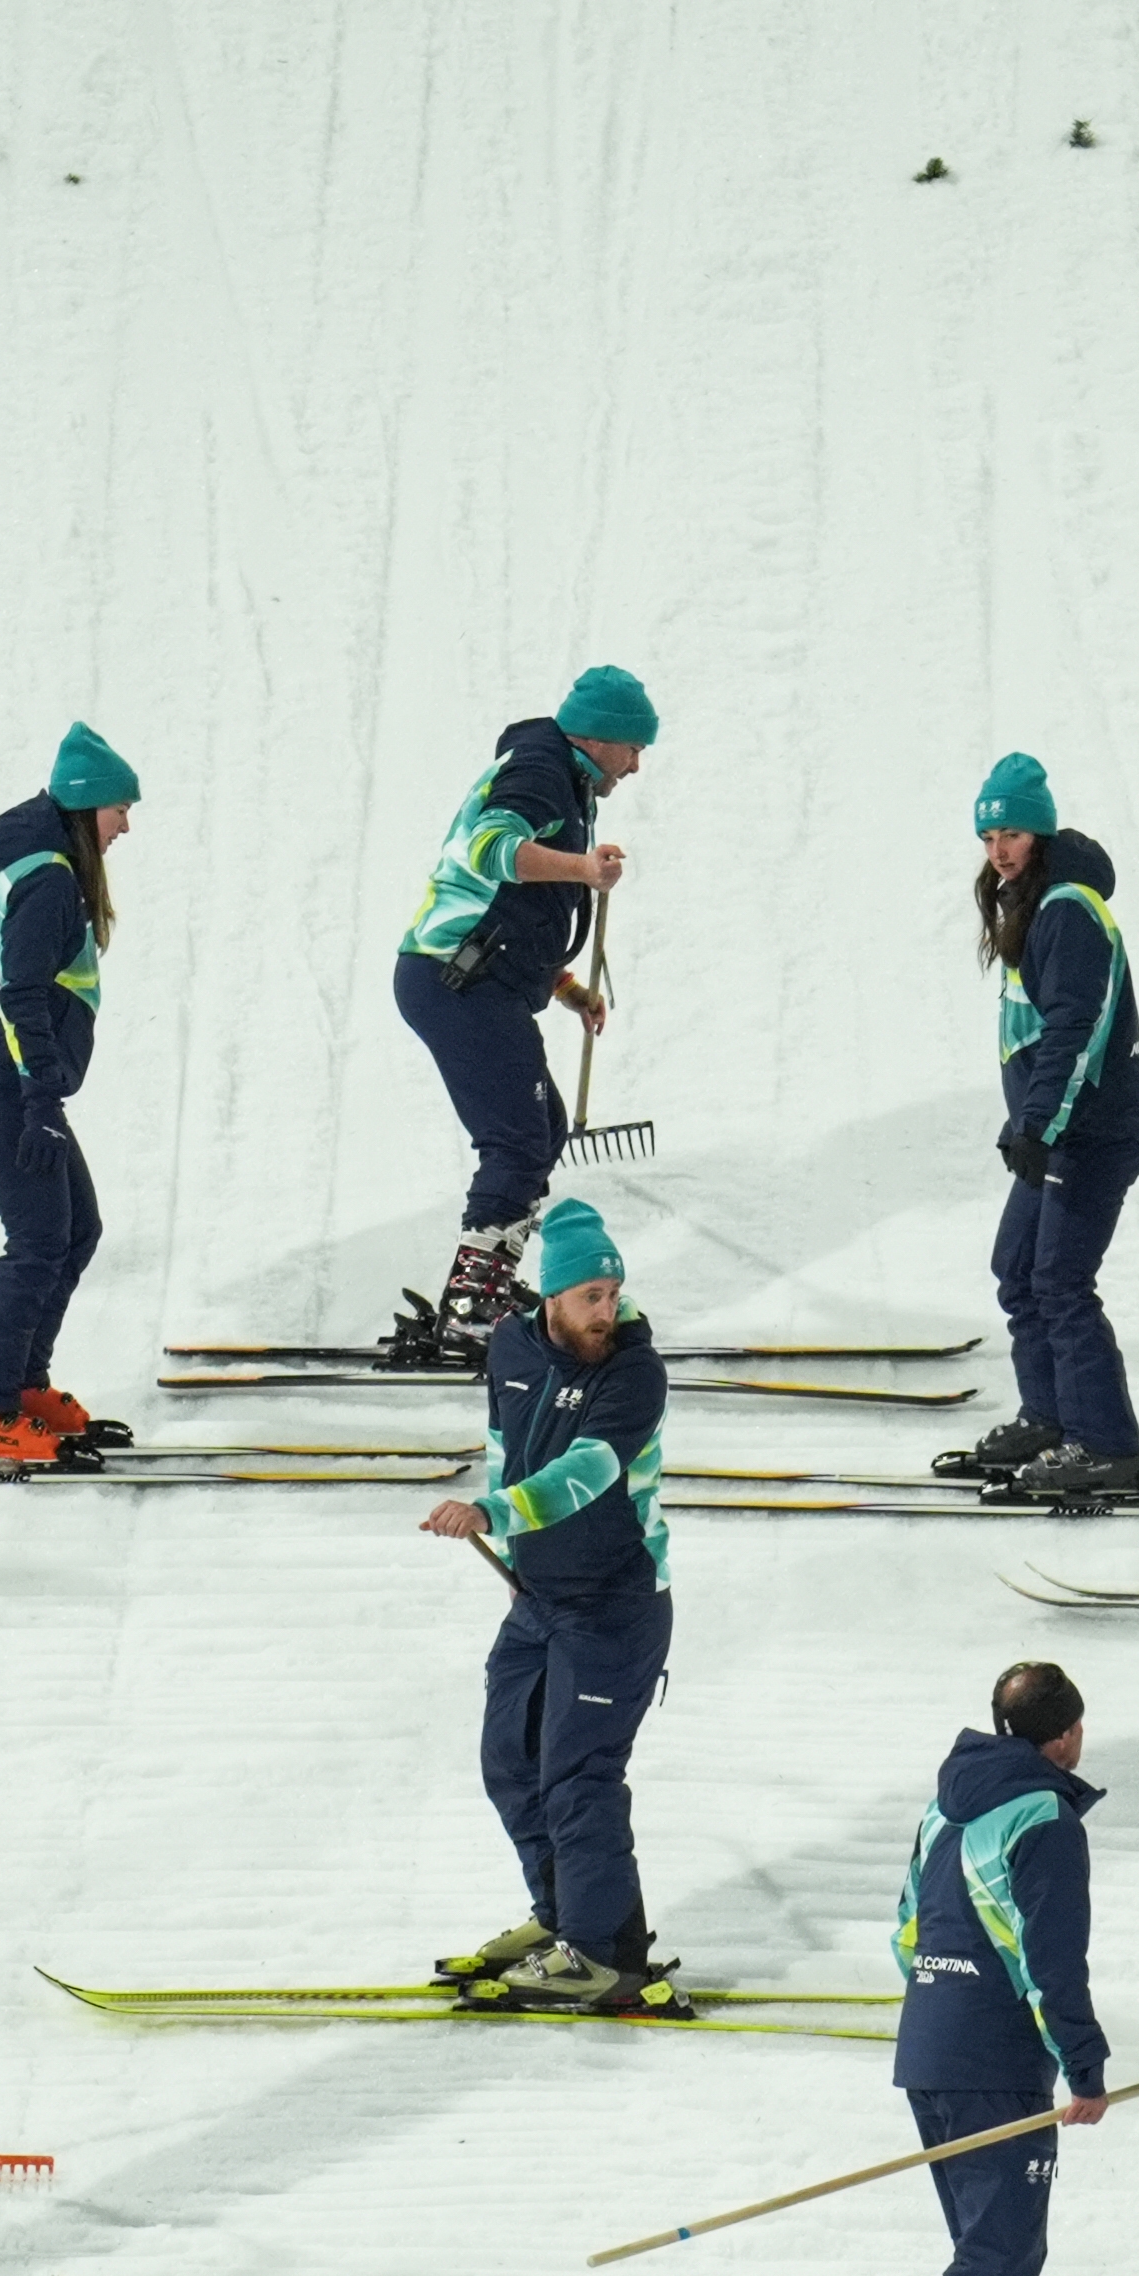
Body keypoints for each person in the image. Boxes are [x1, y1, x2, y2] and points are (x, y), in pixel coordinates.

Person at [842, 1663, 1116, 2276]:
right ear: (1066, 1734)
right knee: (999, 2252)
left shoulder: (945, 1807)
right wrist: (1085, 2065)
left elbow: (906, 1931)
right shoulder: (1046, 1821)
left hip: (931, 2049)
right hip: (992, 2061)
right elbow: (1051, 1959)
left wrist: (943, 2007)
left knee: (994, 2248)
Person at [418, 1197, 678, 2012]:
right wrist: (514, 1537)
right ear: (552, 1299)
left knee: (579, 1778)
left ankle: (601, 1958)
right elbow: (505, 1445)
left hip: (615, 1604)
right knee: (510, 1764)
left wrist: (495, 1516)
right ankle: (564, 1920)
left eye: (614, 1292)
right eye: (592, 1296)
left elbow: (589, 1472)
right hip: (537, 1598)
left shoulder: (634, 1369)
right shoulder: (511, 1346)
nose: (609, 1309)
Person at [371, 667, 650, 1370]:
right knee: (519, 1137)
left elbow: (511, 913)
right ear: (599, 736)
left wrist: (564, 986)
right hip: (454, 978)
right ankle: (471, 1311)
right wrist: (584, 870)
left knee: (543, 1128)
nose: (637, 764)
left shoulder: (563, 775)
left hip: (473, 975)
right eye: (633, 748)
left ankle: (484, 1286)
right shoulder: (542, 768)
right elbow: (490, 851)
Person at [940, 756, 1139, 1505]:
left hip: (1095, 1128)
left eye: (1011, 831)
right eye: (988, 836)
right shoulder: (1035, 903)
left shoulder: (1069, 909)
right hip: (1056, 1128)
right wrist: (1031, 1122)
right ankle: (1051, 1419)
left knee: (1059, 1278)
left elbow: (1079, 1028)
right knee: (1018, 1267)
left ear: (1040, 830)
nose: (998, 849)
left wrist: (1041, 1122)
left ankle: (1104, 1445)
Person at [0, 723, 142, 1470]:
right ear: (87, 808)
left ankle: (18, 1385)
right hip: (1, 1088)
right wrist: (42, 1102)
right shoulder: (49, 878)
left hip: (6, 1085)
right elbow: (20, 996)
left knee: (76, 1229)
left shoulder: (42, 869)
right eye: (119, 809)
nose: (125, 825)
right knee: (39, 1245)